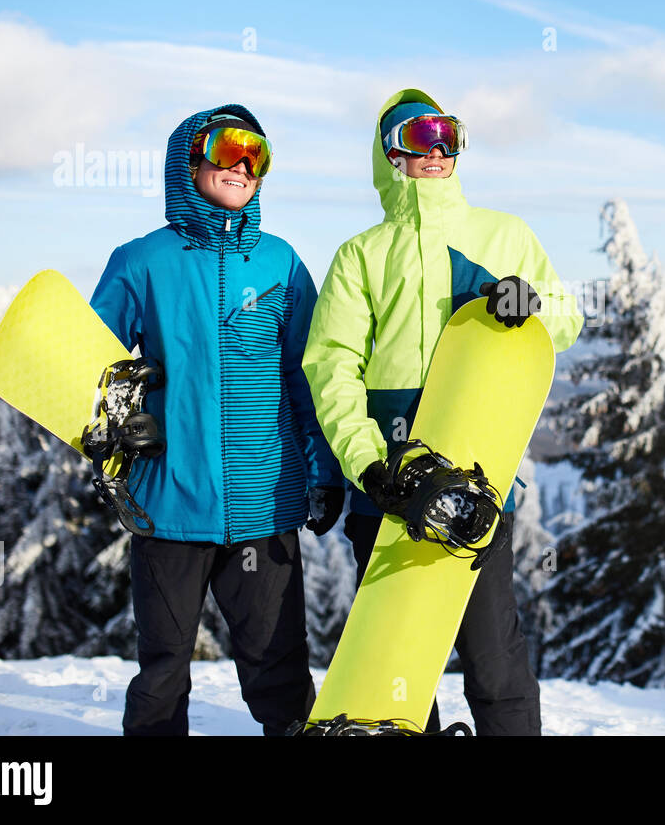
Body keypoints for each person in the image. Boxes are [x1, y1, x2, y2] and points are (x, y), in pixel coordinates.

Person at [302, 88, 583, 736]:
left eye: (447, 136)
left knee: (492, 654)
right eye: (419, 137)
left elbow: (568, 316)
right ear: (389, 155)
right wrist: (370, 468)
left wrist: (532, 303)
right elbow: (332, 367)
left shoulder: (503, 235)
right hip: (388, 485)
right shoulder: (361, 255)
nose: (435, 151)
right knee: (399, 658)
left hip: (479, 476)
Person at [91, 104, 344, 735]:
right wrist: (115, 427)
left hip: (265, 501)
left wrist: (325, 470)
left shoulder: (281, 263)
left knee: (278, 669)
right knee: (162, 668)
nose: (241, 165)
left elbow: (307, 376)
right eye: (228, 148)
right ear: (189, 159)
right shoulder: (141, 260)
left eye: (256, 155)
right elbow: (93, 372)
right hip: (169, 504)